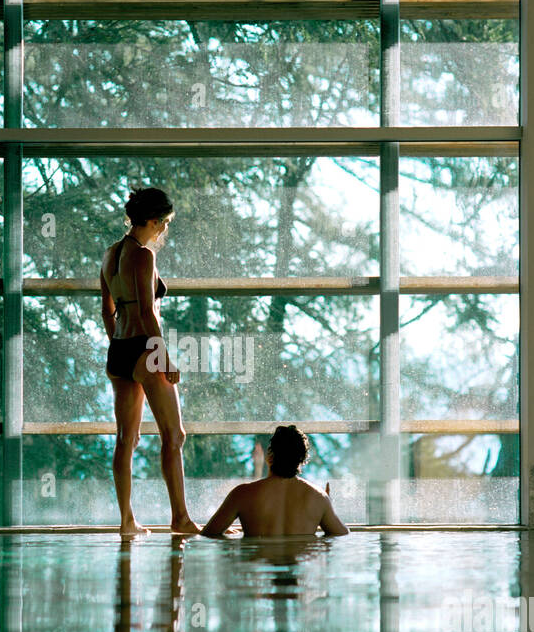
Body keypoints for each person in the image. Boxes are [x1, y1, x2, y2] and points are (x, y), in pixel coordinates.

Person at [100, 186, 201, 537]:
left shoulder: (110, 254)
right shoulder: (143, 255)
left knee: (126, 439)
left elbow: (107, 312)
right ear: (154, 220)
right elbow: (147, 312)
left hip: (119, 351)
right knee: (175, 435)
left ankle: (127, 521)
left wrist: (120, 345)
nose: (165, 230)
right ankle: (181, 519)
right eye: (165, 223)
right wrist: (164, 357)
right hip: (144, 348)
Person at [201, 425, 350, 538]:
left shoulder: (242, 494)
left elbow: (208, 535)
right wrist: (328, 504)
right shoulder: (319, 499)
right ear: (302, 461)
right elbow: (342, 534)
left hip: (259, 566)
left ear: (269, 456)